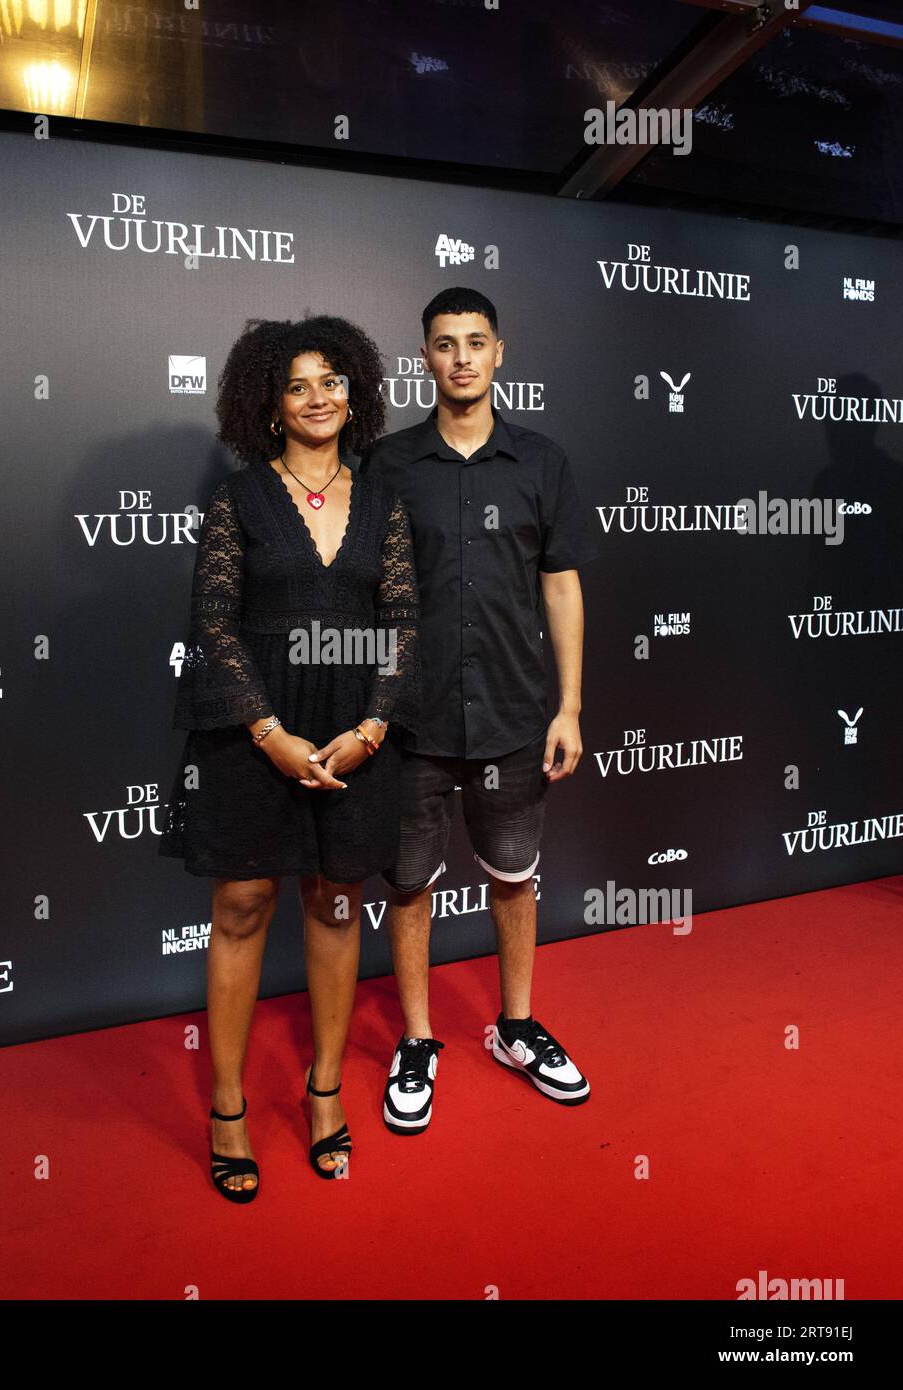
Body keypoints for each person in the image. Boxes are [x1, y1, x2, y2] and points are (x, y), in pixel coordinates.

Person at [160, 315, 421, 1202]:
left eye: (333, 382)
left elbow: (403, 624)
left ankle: (324, 1094)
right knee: (239, 904)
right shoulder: (238, 499)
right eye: (299, 385)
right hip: (250, 728)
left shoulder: (383, 502)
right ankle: (227, 1109)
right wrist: (270, 735)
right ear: (271, 405)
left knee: (337, 904)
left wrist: (374, 726)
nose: (319, 398)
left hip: (355, 729)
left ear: (356, 397)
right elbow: (215, 626)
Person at [360, 286, 598, 1135]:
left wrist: (568, 707)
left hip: (512, 713)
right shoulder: (387, 466)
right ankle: (418, 1040)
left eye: (475, 342)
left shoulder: (542, 462)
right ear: (424, 357)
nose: (461, 356)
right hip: (411, 720)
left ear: (500, 353)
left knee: (513, 880)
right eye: (444, 343)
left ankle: (517, 1026)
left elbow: (561, 584)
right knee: (410, 886)